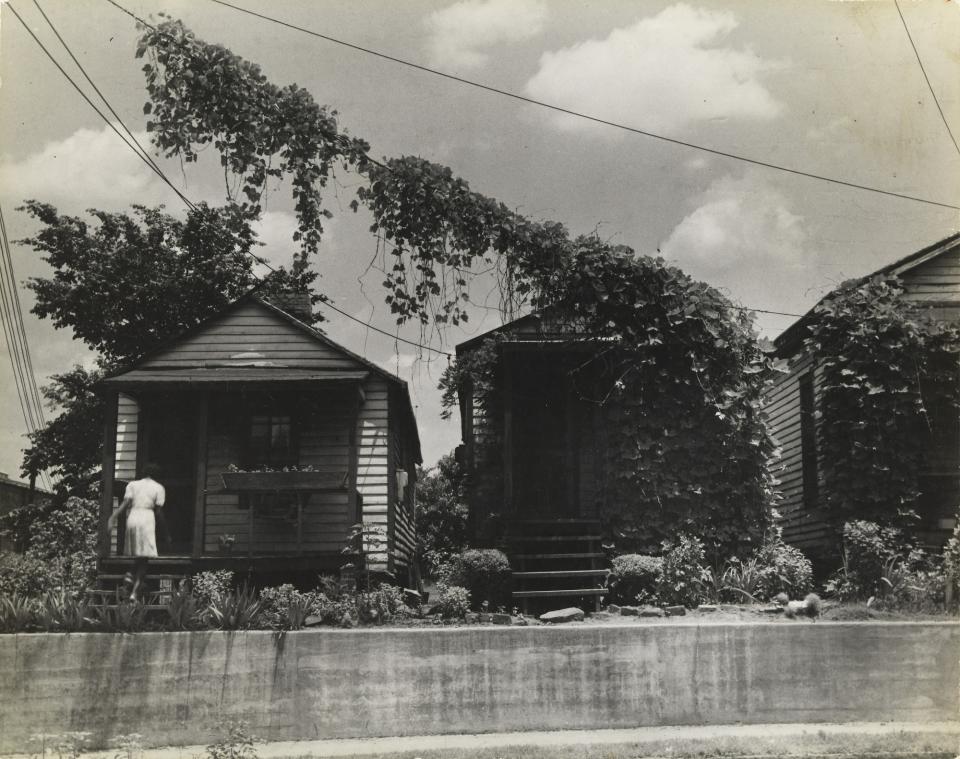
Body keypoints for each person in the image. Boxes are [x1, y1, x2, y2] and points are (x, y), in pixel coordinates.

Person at [107, 462, 170, 601]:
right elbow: (159, 512)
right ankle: (134, 593)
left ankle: (130, 574)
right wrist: (166, 533)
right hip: (147, 518)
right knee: (144, 557)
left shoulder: (132, 485)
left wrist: (113, 516)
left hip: (133, 517)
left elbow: (125, 504)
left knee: (138, 553)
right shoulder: (158, 488)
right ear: (157, 476)